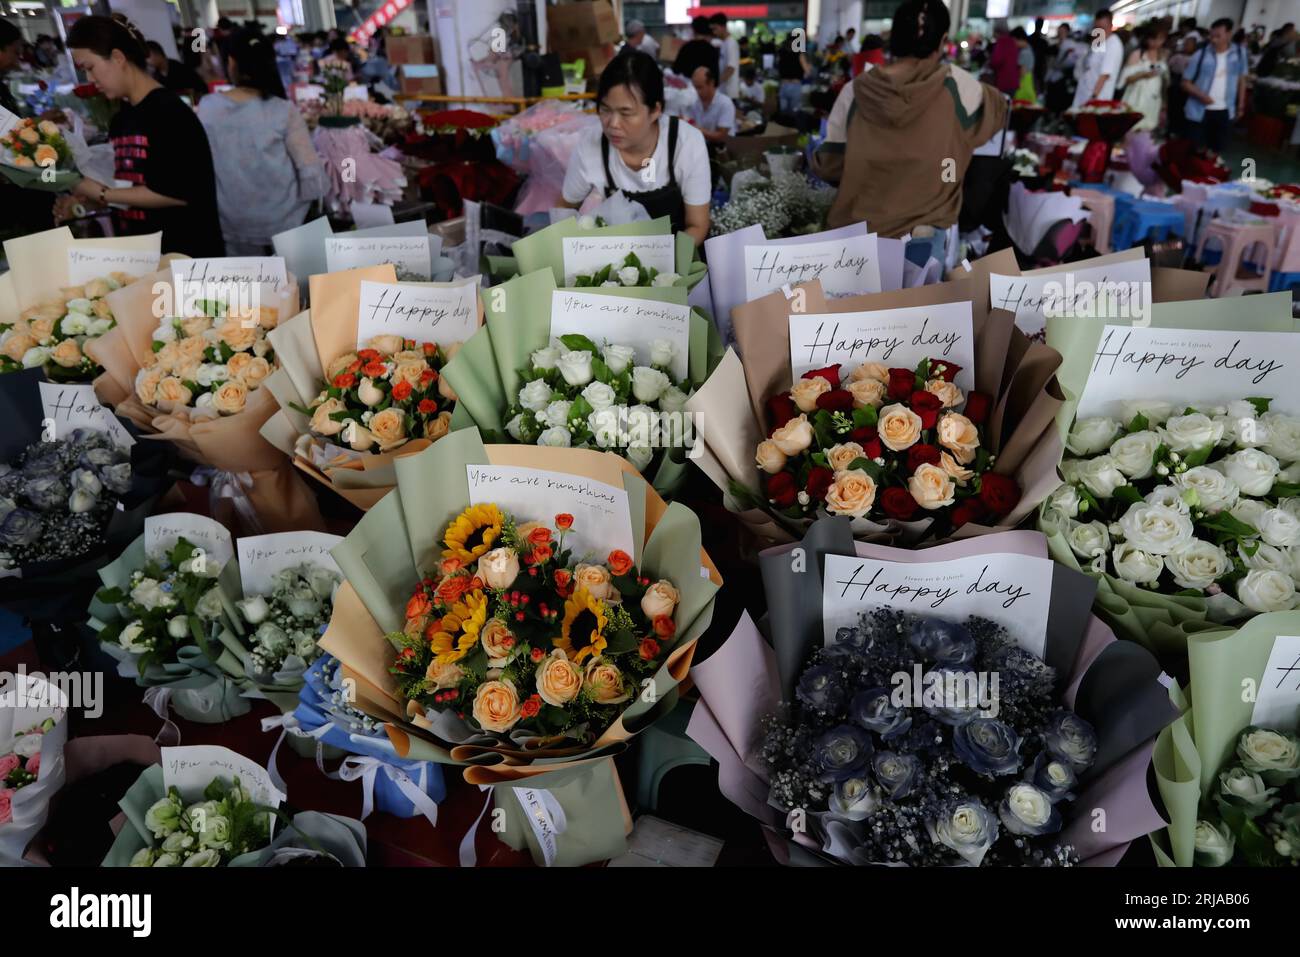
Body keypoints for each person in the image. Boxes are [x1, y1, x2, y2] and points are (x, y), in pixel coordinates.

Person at [828, 0, 1007, 243]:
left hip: (857, 239)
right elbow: (999, 110)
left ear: (893, 37)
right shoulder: (961, 88)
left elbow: (830, 164)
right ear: (943, 40)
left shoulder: (854, 91)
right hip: (924, 238)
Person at [57, 15, 223, 257]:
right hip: (144, 259)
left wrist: (100, 192)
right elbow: (132, 188)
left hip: (187, 260)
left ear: (117, 57)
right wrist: (86, 204)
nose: (90, 80)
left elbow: (176, 192)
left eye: (90, 68)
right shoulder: (122, 117)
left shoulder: (169, 113)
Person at [561, 49, 711, 246]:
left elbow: (697, 225)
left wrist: (663, 265)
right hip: (618, 257)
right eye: (605, 109)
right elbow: (564, 209)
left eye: (626, 113)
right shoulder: (591, 146)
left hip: (678, 256)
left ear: (655, 110)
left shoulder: (686, 143)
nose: (613, 123)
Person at [196, 29, 325, 254]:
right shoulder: (283, 110)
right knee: (290, 286)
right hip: (286, 224)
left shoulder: (207, 108)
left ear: (231, 62)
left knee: (249, 287)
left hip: (232, 224)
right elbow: (310, 171)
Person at [1182, 18, 1248, 154]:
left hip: (1225, 110)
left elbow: (1242, 80)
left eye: (1218, 36)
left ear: (1229, 34)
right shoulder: (1200, 55)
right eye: (1211, 36)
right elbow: (1185, 82)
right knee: (1196, 150)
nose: (1214, 40)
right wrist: (1201, 95)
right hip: (1199, 111)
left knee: (1217, 150)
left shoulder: (1240, 54)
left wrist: (1240, 105)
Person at [1119, 24, 1168, 133]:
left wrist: (1164, 102)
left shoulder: (1163, 55)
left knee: (1148, 128)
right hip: (1136, 96)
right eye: (1153, 38)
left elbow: (1164, 81)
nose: (1156, 42)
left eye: (1160, 39)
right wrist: (1143, 75)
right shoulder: (1137, 54)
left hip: (1153, 98)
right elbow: (1126, 80)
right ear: (1146, 38)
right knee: (1133, 127)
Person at [1073, 8, 1125, 108]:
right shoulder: (1100, 41)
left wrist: (1093, 99)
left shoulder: (1113, 44)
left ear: (1111, 26)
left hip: (1095, 100)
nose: (1099, 31)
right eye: (1097, 28)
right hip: (1083, 95)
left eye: (1103, 28)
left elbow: (1104, 75)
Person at [687, 65, 736, 142]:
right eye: (695, 87)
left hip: (722, 150)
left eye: (700, 87)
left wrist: (696, 129)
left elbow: (722, 136)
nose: (697, 91)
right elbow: (691, 123)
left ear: (711, 83)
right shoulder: (695, 103)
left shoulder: (725, 103)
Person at [1045, 24, 1080, 113]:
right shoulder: (1054, 45)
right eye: (1059, 31)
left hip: (1064, 79)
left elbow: (1071, 62)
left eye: (1063, 31)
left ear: (1067, 32)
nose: (1061, 33)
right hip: (1051, 79)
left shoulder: (1070, 45)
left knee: (1060, 103)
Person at [672, 16, 719, 83]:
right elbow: (715, 75)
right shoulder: (711, 50)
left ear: (693, 30)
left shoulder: (686, 48)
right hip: (705, 88)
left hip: (687, 88)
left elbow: (676, 70)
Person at [777, 31, 810, 114]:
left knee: (783, 114)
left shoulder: (781, 52)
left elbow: (778, 67)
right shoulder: (799, 53)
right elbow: (807, 71)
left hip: (783, 85)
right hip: (795, 85)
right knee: (795, 114)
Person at [710, 13, 741, 100]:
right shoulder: (724, 43)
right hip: (724, 91)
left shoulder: (731, 43)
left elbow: (731, 68)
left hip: (729, 92)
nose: (714, 32)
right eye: (712, 29)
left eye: (715, 29)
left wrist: (715, 84)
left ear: (723, 27)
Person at [987, 23, 1020, 96]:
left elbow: (996, 61)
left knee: (1000, 104)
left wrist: (989, 63)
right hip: (1013, 81)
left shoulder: (1002, 42)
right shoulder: (1012, 41)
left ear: (996, 32)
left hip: (1004, 81)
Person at [1011, 27, 1036, 101]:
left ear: (1020, 39)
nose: (1014, 44)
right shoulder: (1029, 48)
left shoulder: (1024, 53)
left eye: (1014, 41)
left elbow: (1022, 72)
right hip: (1029, 81)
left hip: (1023, 85)